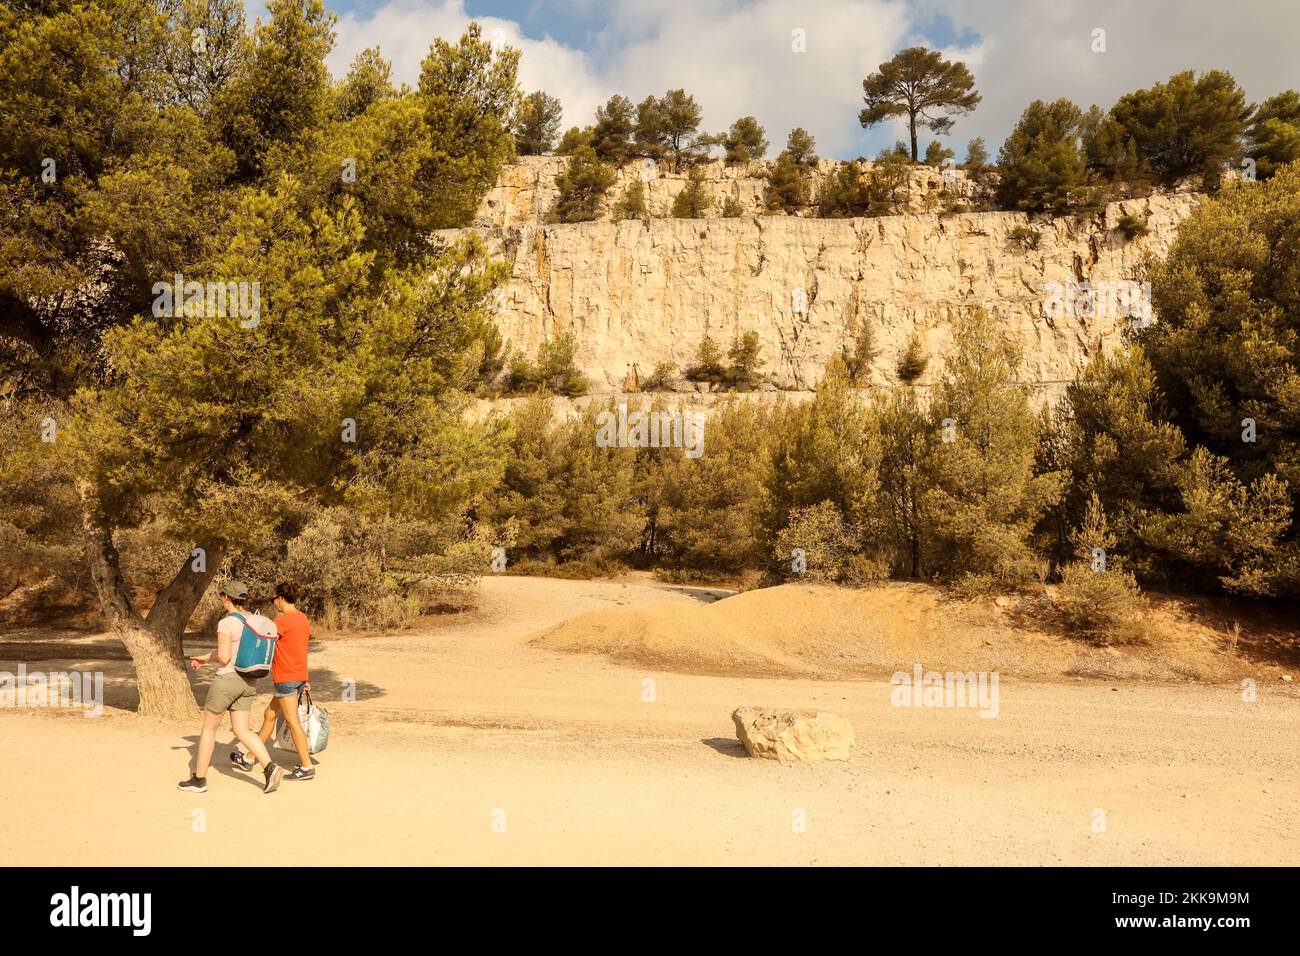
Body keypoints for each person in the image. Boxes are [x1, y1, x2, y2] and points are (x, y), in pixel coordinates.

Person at [177, 581, 284, 794]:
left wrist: (212, 659)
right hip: (248, 681)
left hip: (227, 680)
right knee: (242, 730)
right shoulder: (251, 620)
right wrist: (206, 658)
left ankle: (199, 780)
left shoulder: (226, 623)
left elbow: (225, 657)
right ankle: (270, 767)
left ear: (226, 597)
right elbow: (231, 652)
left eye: (221, 596)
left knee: (209, 728)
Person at [230, 581, 315, 780]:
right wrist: (305, 678)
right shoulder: (303, 618)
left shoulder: (282, 621)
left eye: (273, 599)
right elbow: (300, 648)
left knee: (293, 721)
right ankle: (250, 758)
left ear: (280, 599)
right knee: (270, 714)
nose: (273, 603)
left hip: (286, 677)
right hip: (299, 674)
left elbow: (262, 639)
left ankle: (306, 766)